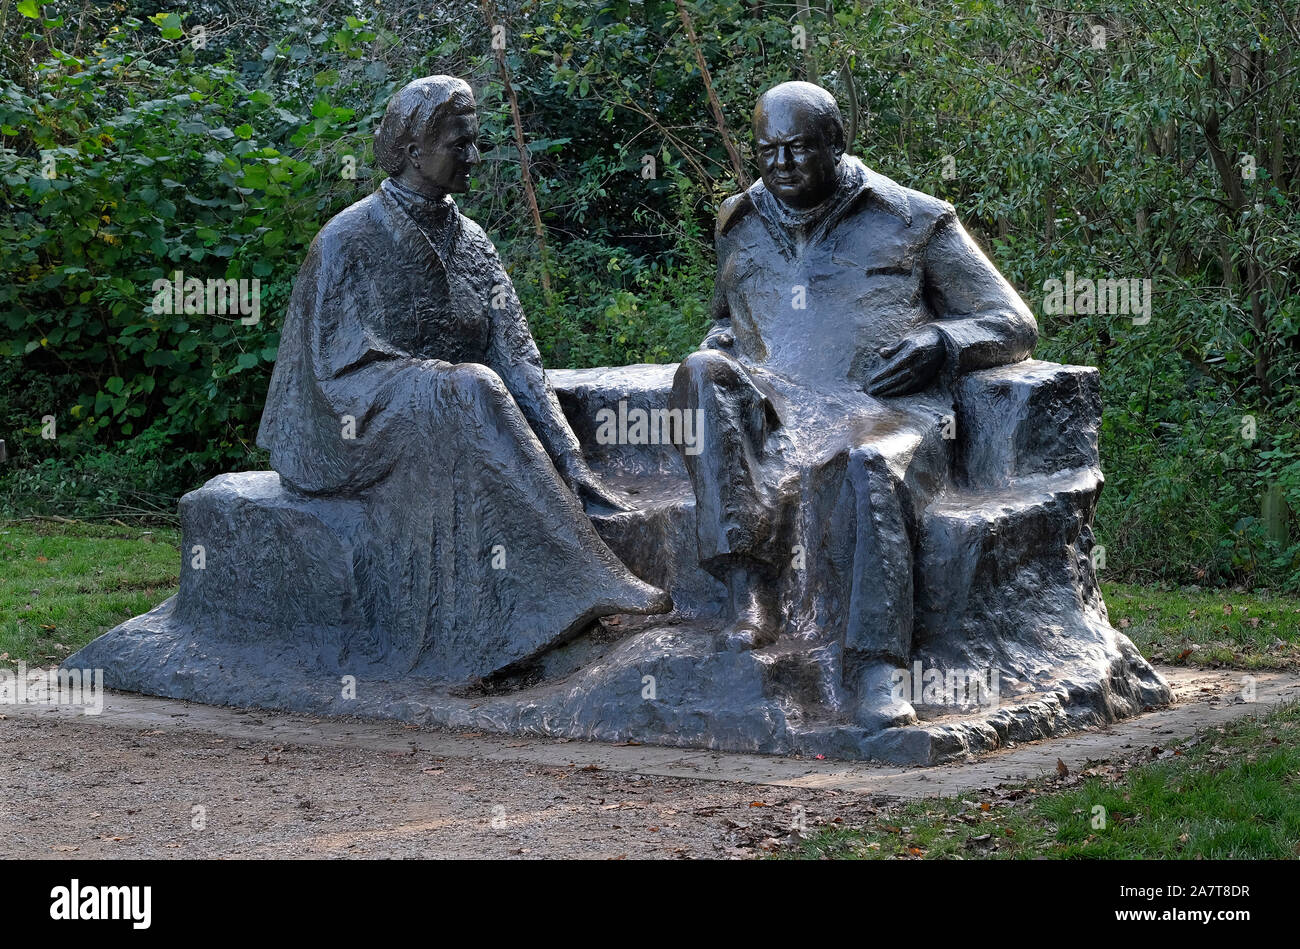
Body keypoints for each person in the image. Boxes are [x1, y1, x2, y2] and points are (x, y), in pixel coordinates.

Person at [258, 75, 669, 680]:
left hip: (438, 401)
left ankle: (544, 604)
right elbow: (324, 376)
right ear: (412, 148)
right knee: (468, 387)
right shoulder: (348, 239)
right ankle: (586, 582)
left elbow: (518, 357)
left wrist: (570, 458)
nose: (475, 157)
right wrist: (435, 384)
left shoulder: (472, 240)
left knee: (473, 386)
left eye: (477, 142)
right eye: (461, 145)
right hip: (345, 423)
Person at [670, 81, 1037, 729]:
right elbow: (725, 324)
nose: (781, 165)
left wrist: (943, 340)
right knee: (701, 373)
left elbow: (1012, 321)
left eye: (798, 150)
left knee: (871, 461)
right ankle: (747, 590)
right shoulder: (741, 221)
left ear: (837, 145)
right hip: (781, 401)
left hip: (886, 406)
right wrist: (724, 356)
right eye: (767, 151)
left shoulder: (914, 219)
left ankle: (877, 667)